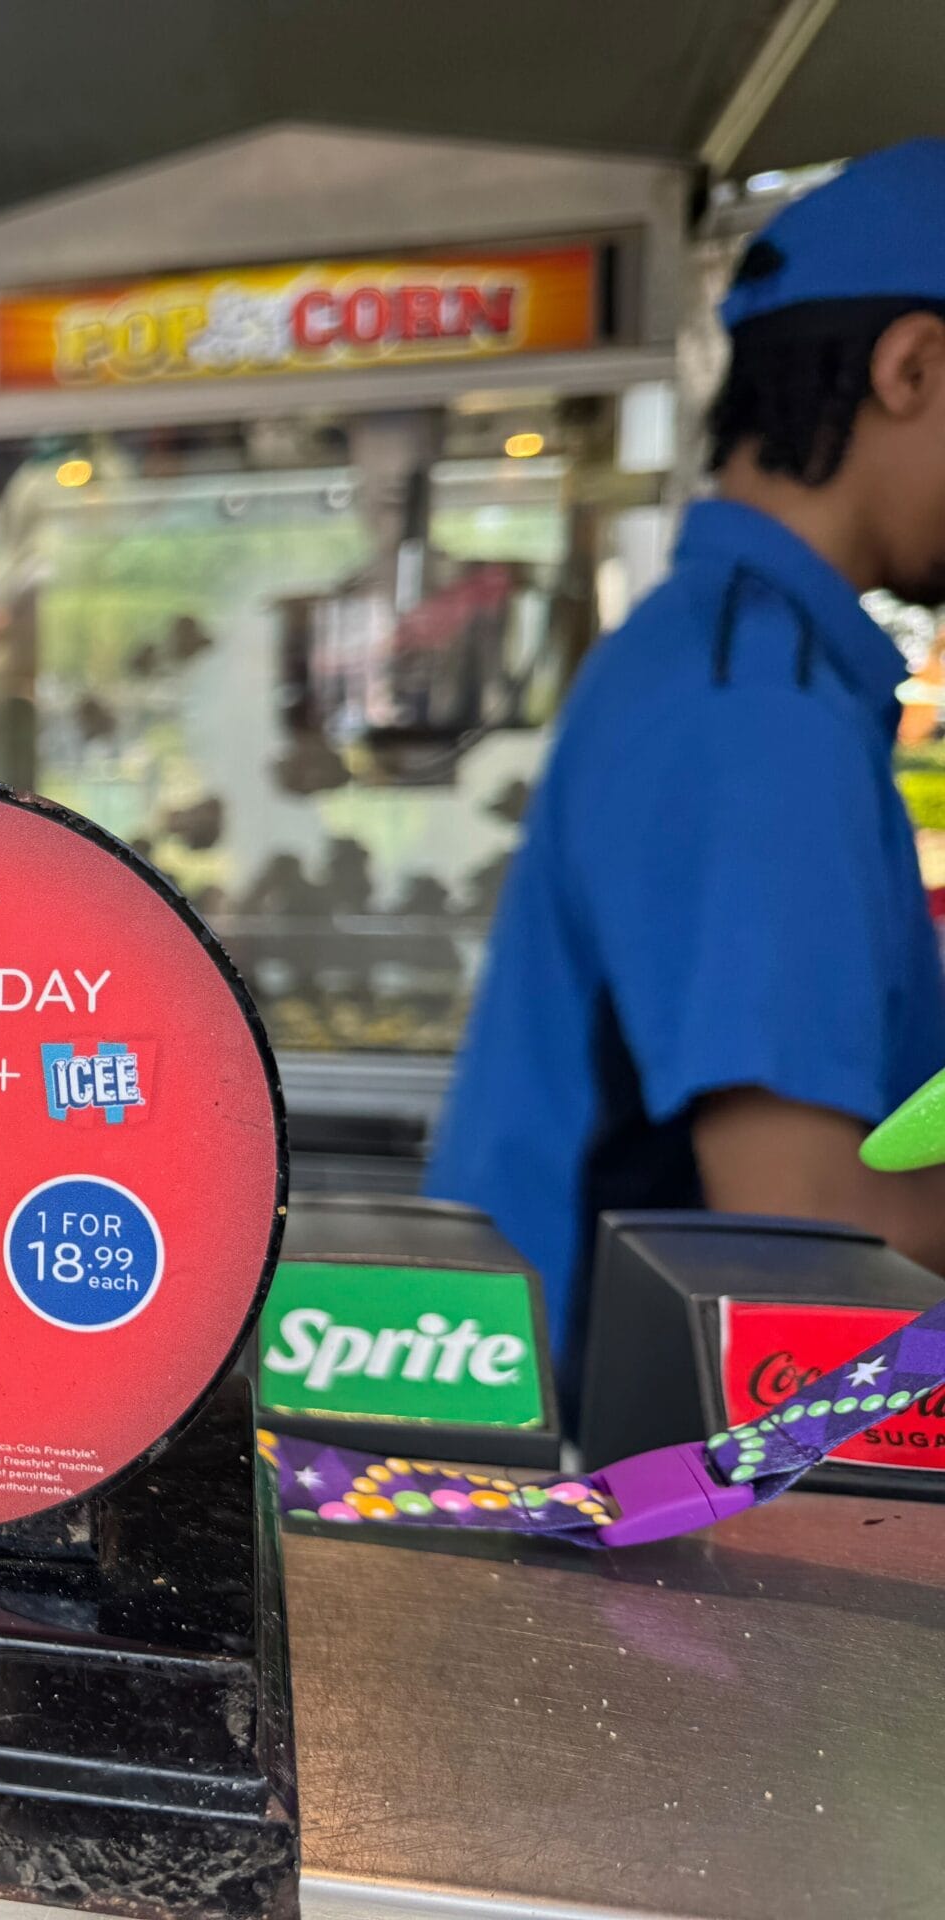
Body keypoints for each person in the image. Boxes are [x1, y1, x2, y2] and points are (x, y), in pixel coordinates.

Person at [430, 140, 945, 1397]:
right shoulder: (748, 702)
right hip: (624, 1473)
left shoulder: (740, 656)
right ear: (912, 367)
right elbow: (807, 1227)